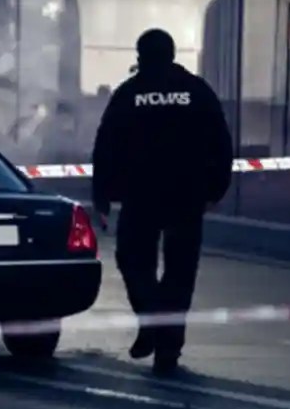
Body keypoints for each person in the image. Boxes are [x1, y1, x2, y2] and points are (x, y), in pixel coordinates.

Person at [91, 29, 233, 374]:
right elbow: (221, 143)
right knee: (180, 274)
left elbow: (105, 145)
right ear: (172, 53)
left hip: (140, 196)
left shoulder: (130, 93)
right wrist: (216, 189)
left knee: (133, 262)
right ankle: (168, 347)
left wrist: (102, 195)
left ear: (141, 55)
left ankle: (151, 320)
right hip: (187, 196)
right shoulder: (197, 92)